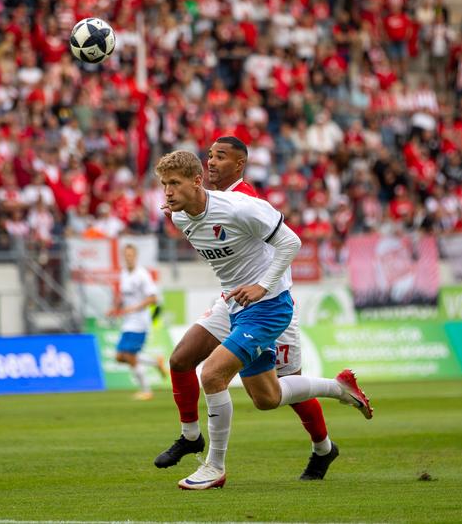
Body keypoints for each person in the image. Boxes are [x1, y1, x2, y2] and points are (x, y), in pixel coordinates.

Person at [155, 151, 373, 490]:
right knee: (267, 398)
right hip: (234, 304)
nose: (167, 192)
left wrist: (262, 284)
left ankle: (214, 466)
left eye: (174, 184)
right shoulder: (180, 218)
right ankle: (338, 387)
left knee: (212, 375)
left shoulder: (240, 206)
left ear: (197, 182)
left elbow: (291, 241)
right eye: (164, 184)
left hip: (270, 305)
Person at [107, 243, 165, 400]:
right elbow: (123, 296)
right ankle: (155, 362)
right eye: (126, 255)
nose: (128, 258)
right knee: (120, 356)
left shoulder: (142, 274)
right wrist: (115, 308)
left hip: (140, 322)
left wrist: (134, 308)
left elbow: (153, 298)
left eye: (131, 255)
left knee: (130, 355)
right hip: (127, 322)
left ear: (136, 256)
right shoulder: (124, 273)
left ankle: (146, 391)